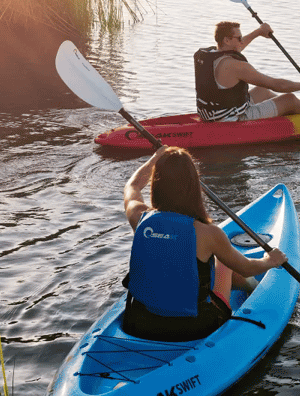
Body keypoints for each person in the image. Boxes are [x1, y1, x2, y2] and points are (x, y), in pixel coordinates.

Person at [121, 146, 287, 341]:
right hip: (192, 329)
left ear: (157, 184)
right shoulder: (209, 234)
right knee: (224, 262)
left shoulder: (139, 217)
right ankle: (252, 287)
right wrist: (270, 260)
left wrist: (155, 159)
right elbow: (247, 267)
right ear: (194, 186)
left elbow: (132, 186)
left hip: (138, 323)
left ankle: (243, 285)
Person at [194, 21, 300, 122]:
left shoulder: (209, 54)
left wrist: (259, 32)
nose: (242, 41)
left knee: (262, 91)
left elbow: (238, 47)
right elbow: (277, 85)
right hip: (231, 118)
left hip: (210, 113)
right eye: (239, 38)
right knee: (290, 99)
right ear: (226, 40)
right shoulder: (236, 66)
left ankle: (287, 112)